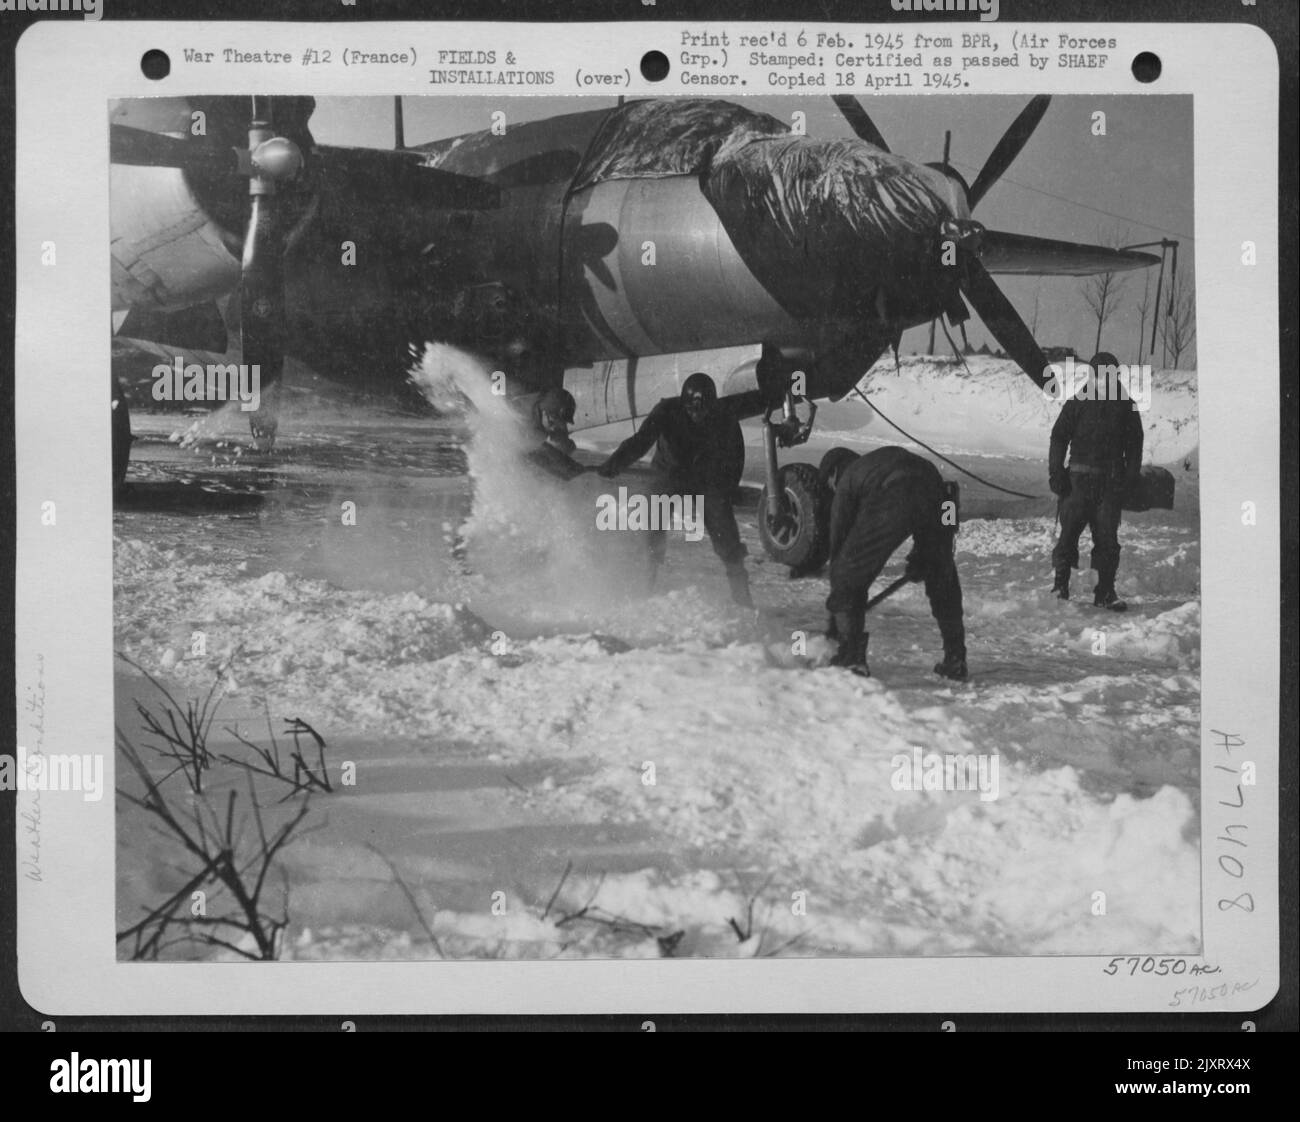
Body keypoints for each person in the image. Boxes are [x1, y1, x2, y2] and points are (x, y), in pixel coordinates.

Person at [596, 372, 752, 606]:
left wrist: (729, 489)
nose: (698, 415)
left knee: (728, 541)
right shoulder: (667, 410)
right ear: (685, 405)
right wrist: (614, 464)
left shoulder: (724, 414)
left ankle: (744, 601)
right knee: (651, 537)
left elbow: (735, 454)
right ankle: (642, 595)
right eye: (693, 410)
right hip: (668, 476)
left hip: (705, 479)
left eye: (704, 410)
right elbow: (641, 441)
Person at [824, 446, 967, 680]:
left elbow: (839, 548)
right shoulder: (874, 463)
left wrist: (838, 609)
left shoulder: (848, 479)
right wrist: (928, 554)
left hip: (897, 492)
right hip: (940, 493)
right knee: (941, 572)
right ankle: (956, 658)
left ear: (833, 474)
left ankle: (851, 658)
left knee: (846, 573)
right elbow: (946, 513)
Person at [1048, 351, 1145, 611]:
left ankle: (1105, 592)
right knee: (1068, 537)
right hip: (1077, 483)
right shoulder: (1078, 401)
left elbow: (1135, 445)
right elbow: (1059, 436)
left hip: (1109, 485)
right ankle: (1060, 586)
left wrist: (1131, 480)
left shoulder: (1126, 405)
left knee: (1107, 541)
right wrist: (1056, 473)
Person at [525, 387, 586, 481]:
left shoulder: (543, 414)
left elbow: (561, 443)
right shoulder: (526, 425)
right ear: (549, 417)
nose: (563, 426)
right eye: (561, 421)